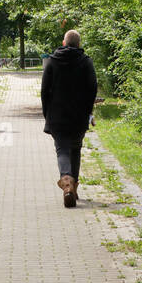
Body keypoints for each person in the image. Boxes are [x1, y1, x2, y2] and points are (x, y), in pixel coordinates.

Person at [40, 29, 98, 208]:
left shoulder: (52, 62)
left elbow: (44, 91)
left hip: (57, 115)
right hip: (79, 116)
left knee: (62, 150)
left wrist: (46, 113)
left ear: (64, 43)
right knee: (75, 149)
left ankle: (67, 187)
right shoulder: (86, 62)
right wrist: (88, 111)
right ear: (79, 44)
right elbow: (92, 88)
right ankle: (74, 187)